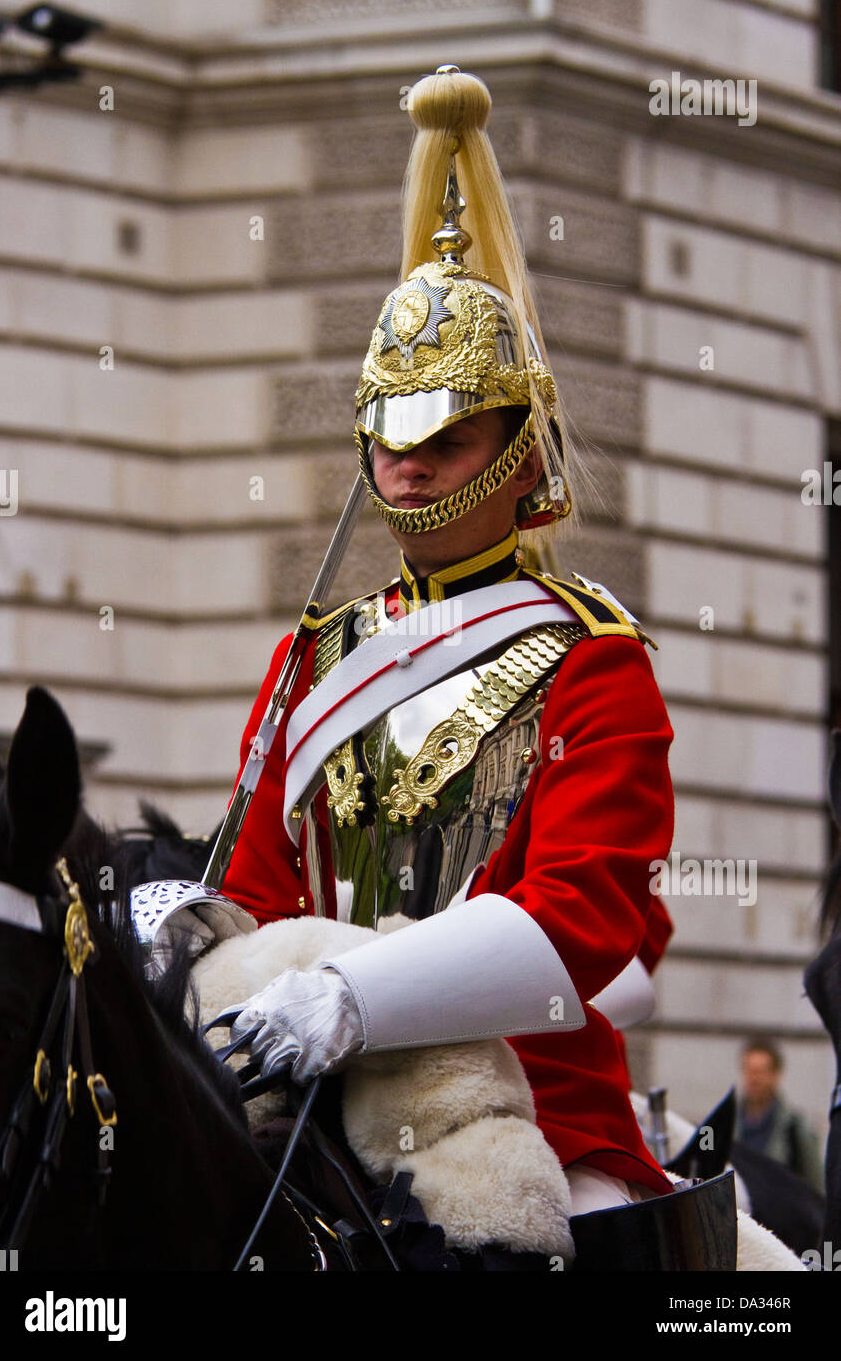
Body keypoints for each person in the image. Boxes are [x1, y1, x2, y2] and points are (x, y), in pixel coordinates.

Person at [217, 66, 689, 1258]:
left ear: (517, 452)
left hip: (533, 1100)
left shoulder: (590, 658)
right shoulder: (311, 657)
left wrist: (359, 997)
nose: (410, 467)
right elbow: (266, 891)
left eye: (448, 437)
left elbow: (583, 916)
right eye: (389, 435)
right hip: (309, 1099)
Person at [737, 1038, 824, 1194]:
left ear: (775, 1075)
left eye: (760, 1072)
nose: (754, 1079)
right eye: (749, 1071)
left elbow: (816, 1188)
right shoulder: (727, 1125)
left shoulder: (795, 1127)